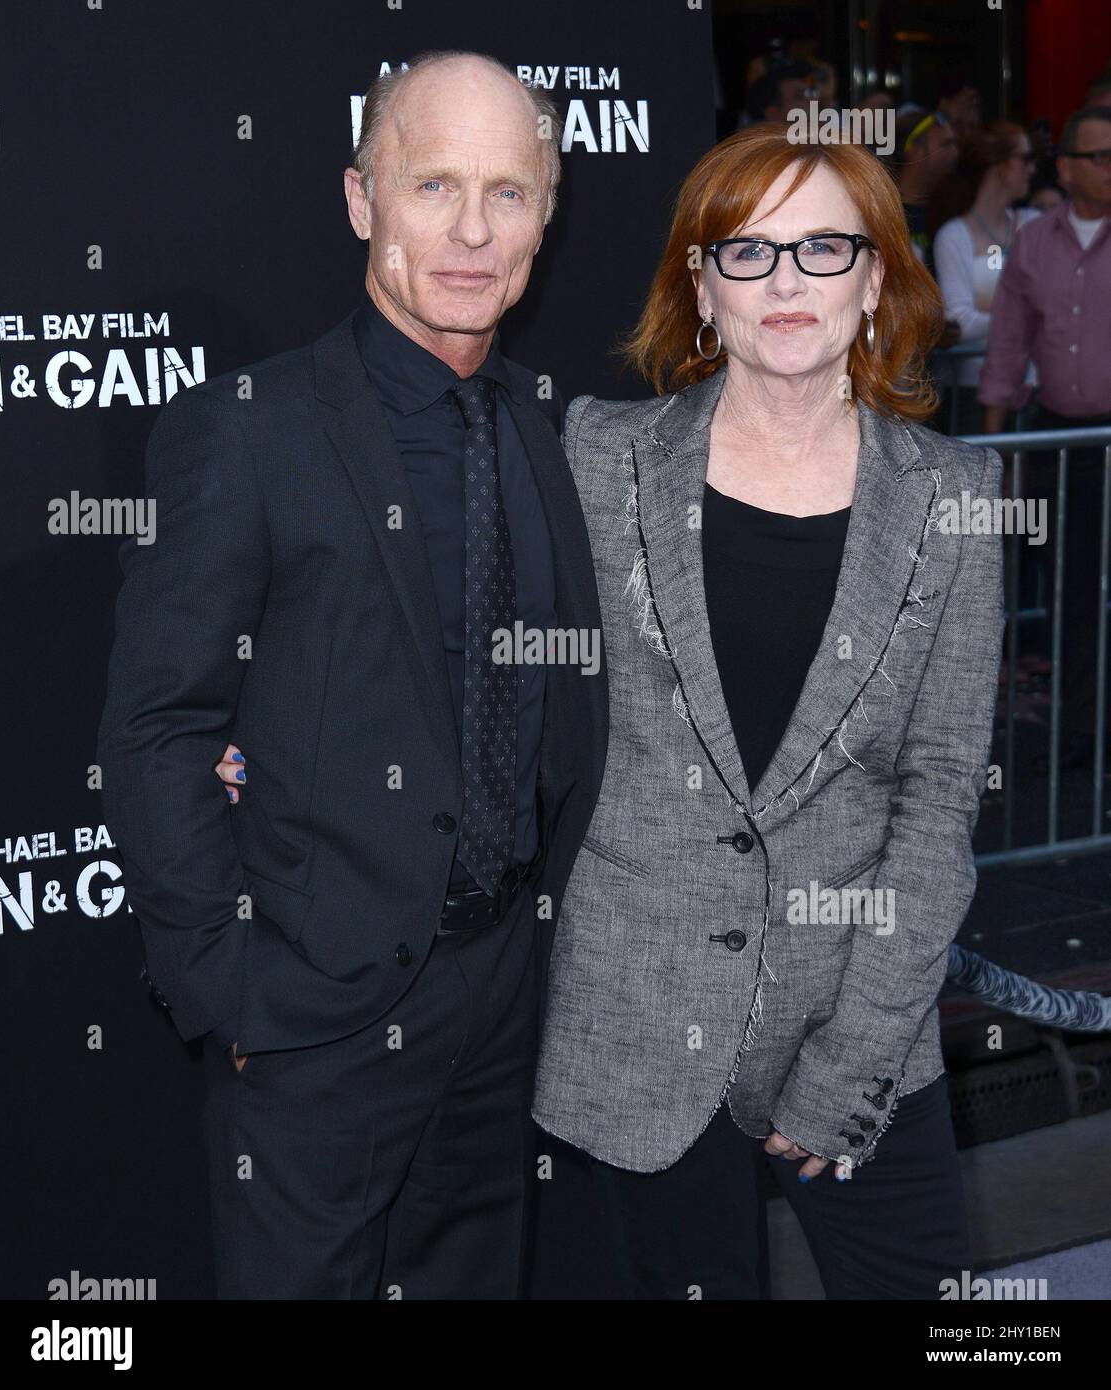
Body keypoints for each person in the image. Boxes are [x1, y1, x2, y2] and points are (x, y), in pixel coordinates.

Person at [96, 50, 608, 1299]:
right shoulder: (253, 428)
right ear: (357, 198)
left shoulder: (546, 432)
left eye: (510, 191)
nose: (474, 233)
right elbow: (159, 725)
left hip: (499, 1005)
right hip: (313, 1020)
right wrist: (231, 986)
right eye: (432, 185)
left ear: (547, 212)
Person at [527, 125, 1005, 1299]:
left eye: (821, 249)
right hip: (635, 1018)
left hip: (858, 1010)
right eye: (745, 253)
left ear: (875, 278)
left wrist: (849, 1062)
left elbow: (938, 796)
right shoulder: (598, 459)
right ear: (699, 287)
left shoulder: (953, 498)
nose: (785, 283)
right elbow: (460, 646)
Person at [978, 106, 1111, 770]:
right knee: (1074, 590)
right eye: (1100, 156)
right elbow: (1005, 349)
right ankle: (1085, 730)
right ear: (1067, 167)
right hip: (1061, 438)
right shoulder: (1032, 244)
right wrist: (997, 455)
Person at [932, 121, 1040, 433]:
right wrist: (1027, 319)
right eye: (1026, 160)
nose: (1032, 170)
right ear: (1001, 167)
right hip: (971, 390)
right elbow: (959, 322)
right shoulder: (954, 235)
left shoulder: (1034, 226)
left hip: (1031, 384)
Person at [894, 109, 960, 269]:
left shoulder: (952, 208)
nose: (955, 153)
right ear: (914, 151)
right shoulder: (885, 211)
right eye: (946, 144)